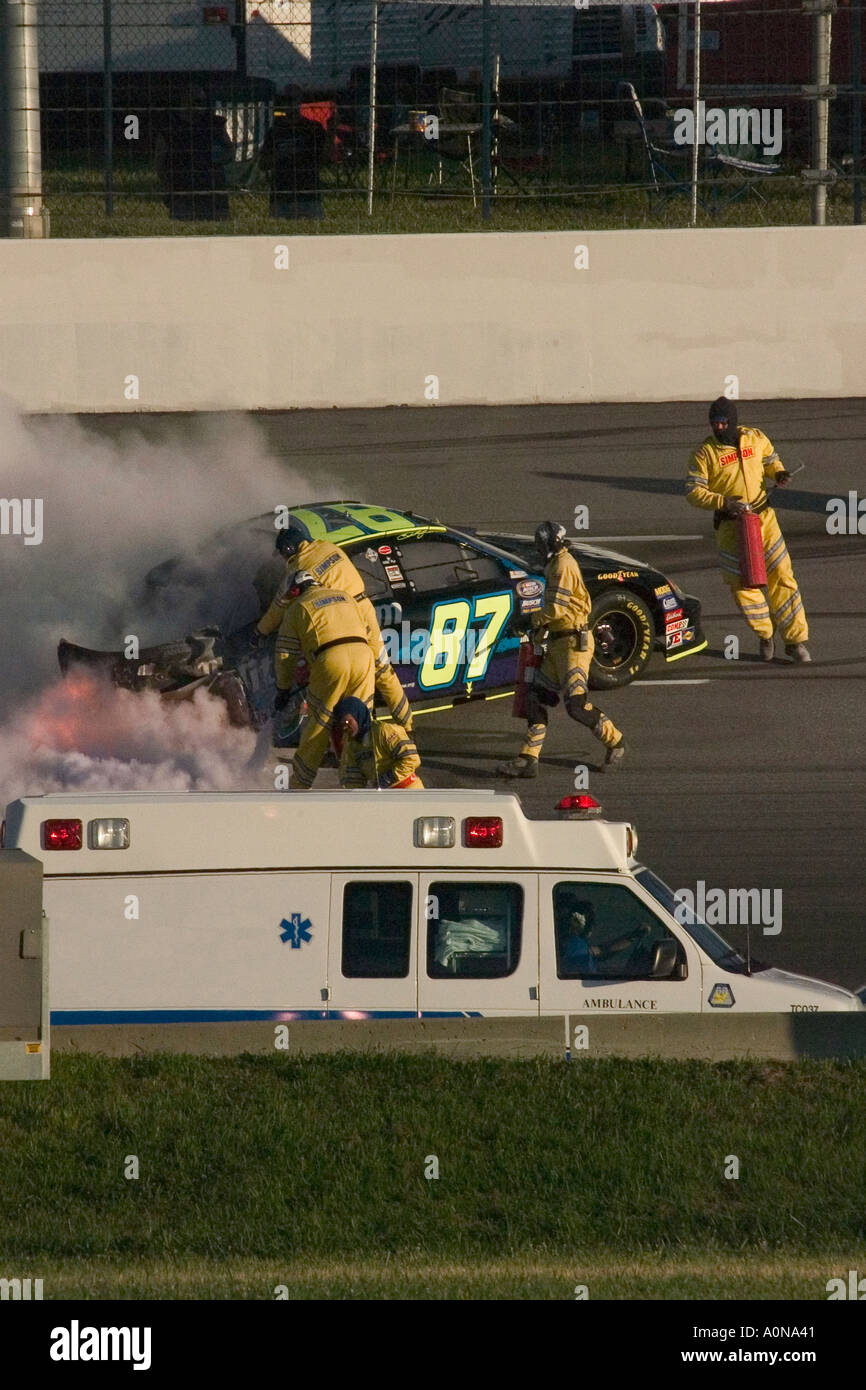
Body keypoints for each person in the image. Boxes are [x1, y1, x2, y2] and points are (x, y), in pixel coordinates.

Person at [686, 398, 810, 662]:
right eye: (714, 423)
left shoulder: (755, 437)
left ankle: (795, 641)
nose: (718, 427)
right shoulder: (704, 453)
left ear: (733, 421)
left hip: (764, 519)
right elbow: (693, 491)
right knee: (743, 585)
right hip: (731, 528)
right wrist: (722, 502)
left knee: (782, 575)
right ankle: (765, 634)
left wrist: (778, 473)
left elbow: (770, 460)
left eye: (723, 422)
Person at [498, 521, 625, 779]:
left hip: (573, 646)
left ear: (551, 543)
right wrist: (537, 631)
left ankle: (616, 743)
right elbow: (556, 612)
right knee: (534, 699)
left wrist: (530, 621)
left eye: (540, 543)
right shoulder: (556, 564)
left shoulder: (563, 565)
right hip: (558, 643)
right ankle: (528, 758)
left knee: (576, 706)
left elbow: (556, 608)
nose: (538, 548)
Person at [254, 525, 413, 730]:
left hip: (347, 617)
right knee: (382, 669)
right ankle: (408, 726)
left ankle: (349, 736)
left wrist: (260, 631)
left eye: (283, 556)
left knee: (333, 682)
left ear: (288, 551)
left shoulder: (299, 568)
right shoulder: (329, 547)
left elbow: (279, 607)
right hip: (365, 607)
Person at [274, 570, 375, 790]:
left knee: (318, 726)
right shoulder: (344, 596)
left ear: (295, 590)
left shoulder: (297, 607)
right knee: (360, 722)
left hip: (330, 660)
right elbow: (368, 631)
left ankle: (298, 786)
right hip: (363, 655)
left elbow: (285, 655)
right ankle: (364, 782)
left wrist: (282, 689)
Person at [331, 696, 424, 789]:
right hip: (384, 795)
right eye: (341, 725)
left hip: (408, 790)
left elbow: (411, 759)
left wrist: (387, 778)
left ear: (358, 716)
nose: (344, 728)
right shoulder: (351, 745)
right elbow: (353, 777)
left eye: (348, 722)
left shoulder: (384, 731)